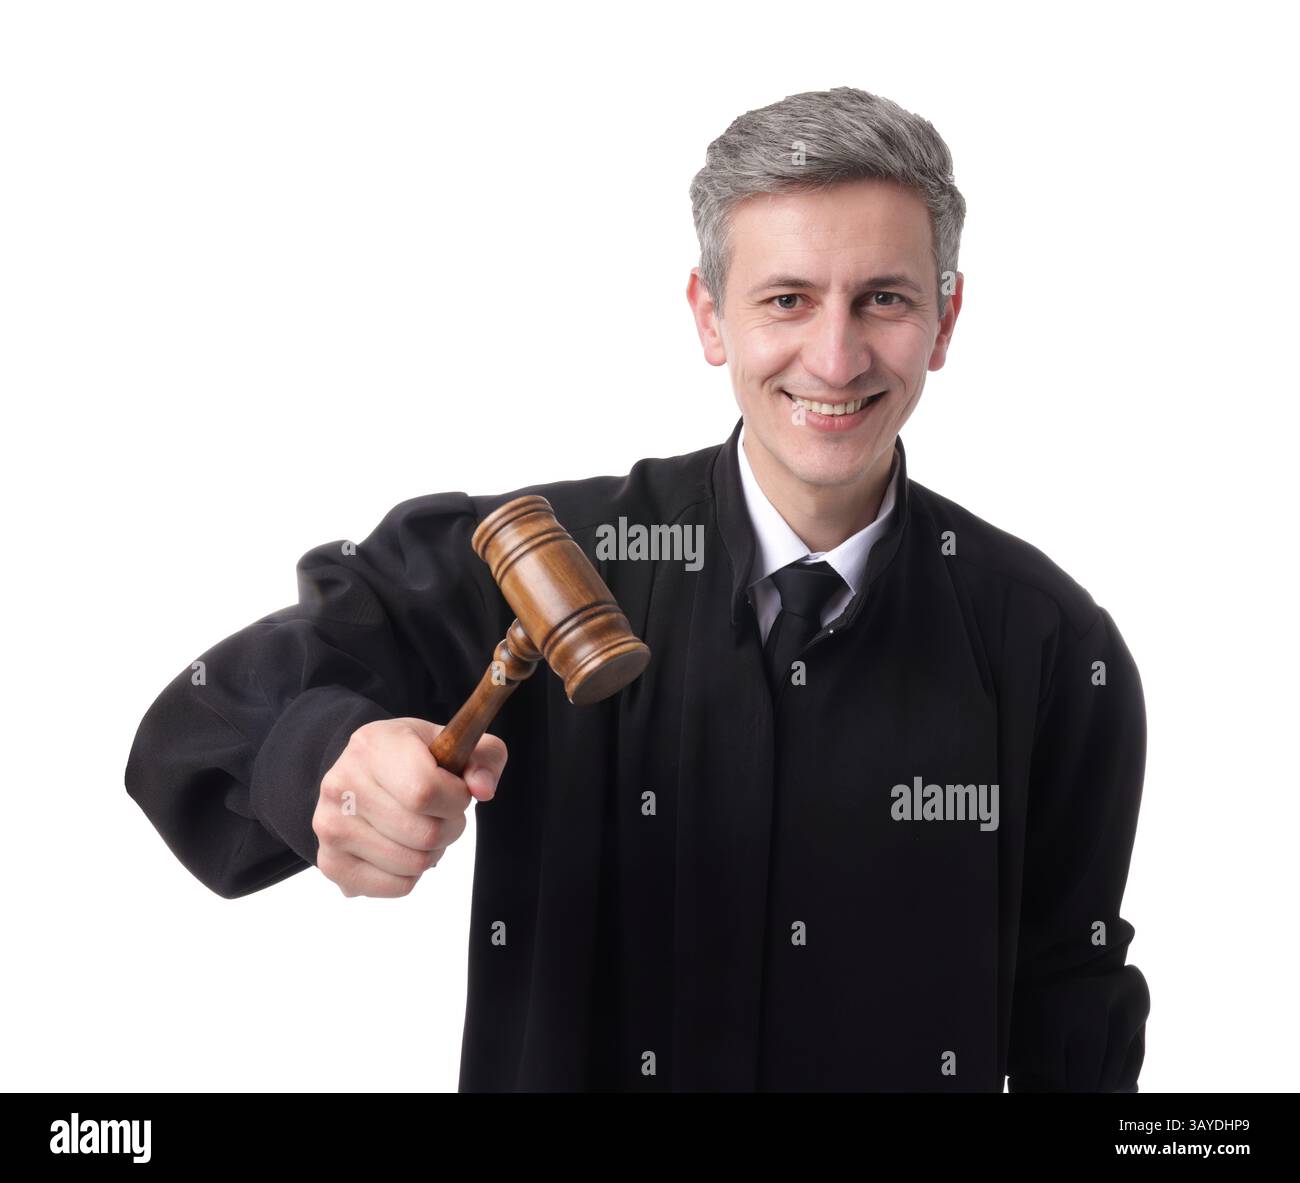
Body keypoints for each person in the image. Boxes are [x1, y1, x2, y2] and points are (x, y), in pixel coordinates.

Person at [125, 86, 1149, 1092]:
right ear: (710, 316)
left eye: (882, 297)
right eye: (786, 298)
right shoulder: (530, 562)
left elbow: (1071, 1008)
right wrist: (331, 764)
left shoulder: (1050, 651)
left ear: (945, 317)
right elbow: (200, 726)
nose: (834, 358)